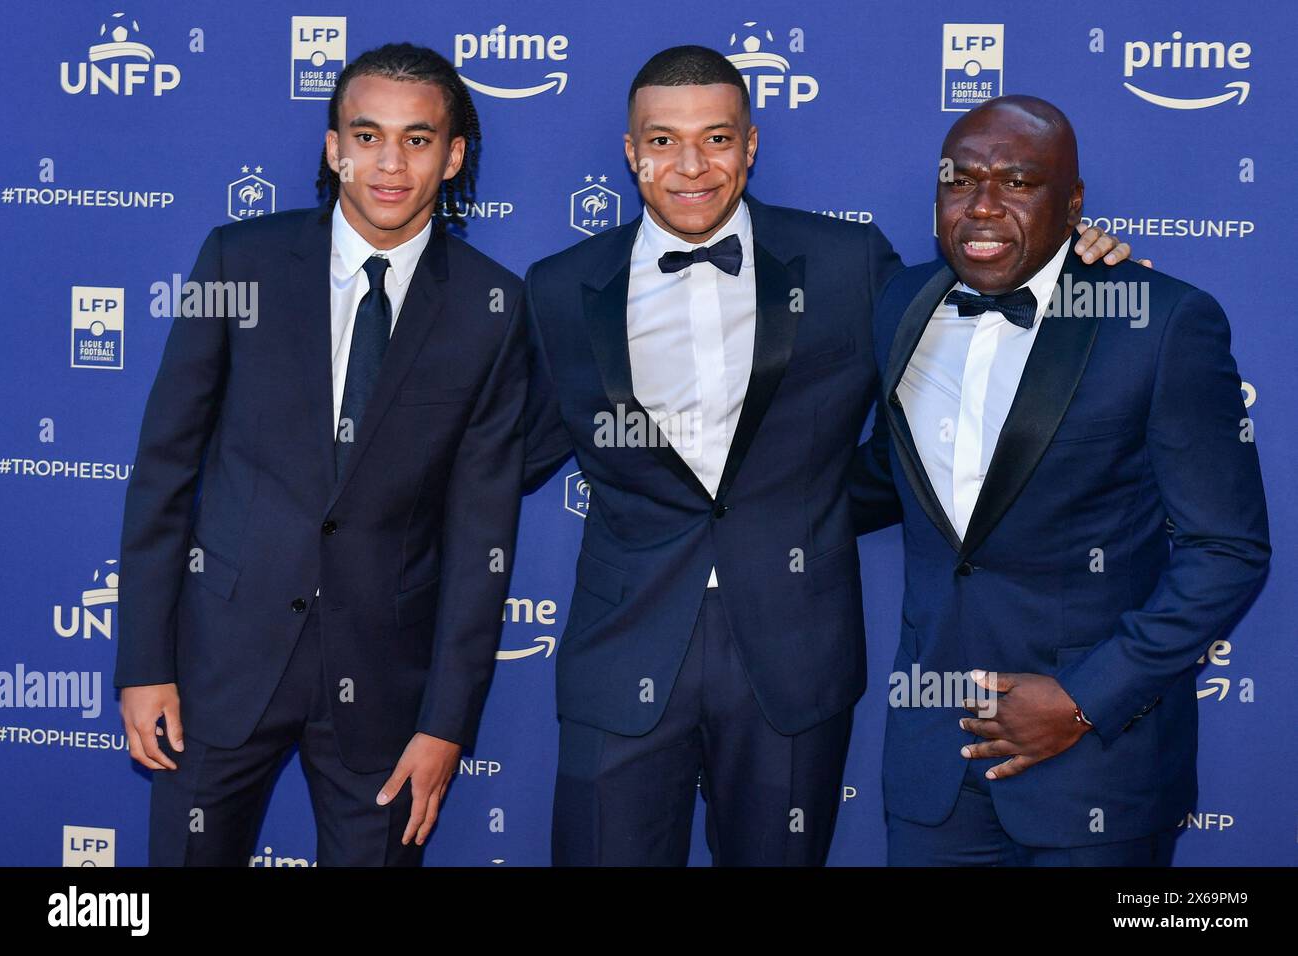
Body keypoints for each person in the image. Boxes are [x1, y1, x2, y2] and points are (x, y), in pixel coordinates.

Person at [523, 47, 1132, 866]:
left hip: (793, 654)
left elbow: (977, 342)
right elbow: (499, 450)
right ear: (632, 155)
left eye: (717, 138)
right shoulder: (559, 286)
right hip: (620, 648)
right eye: (663, 142)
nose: (692, 165)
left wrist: (1077, 267)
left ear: (751, 145)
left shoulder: (846, 264)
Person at [114, 43, 528, 866]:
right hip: (217, 671)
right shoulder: (240, 262)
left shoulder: (493, 306)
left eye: (417, 139)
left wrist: (447, 721)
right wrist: (144, 662)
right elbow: (165, 470)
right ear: (334, 147)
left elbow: (484, 534)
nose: (388, 162)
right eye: (366, 135)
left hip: (385, 687)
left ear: (452, 158)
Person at [855, 94, 1269, 866]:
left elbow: (1227, 548)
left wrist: (1082, 701)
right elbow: (881, 476)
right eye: (960, 181)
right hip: (930, 770)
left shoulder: (1159, 321)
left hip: (1098, 769)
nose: (983, 207)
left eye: (1018, 182)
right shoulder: (897, 306)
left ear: (1073, 203)